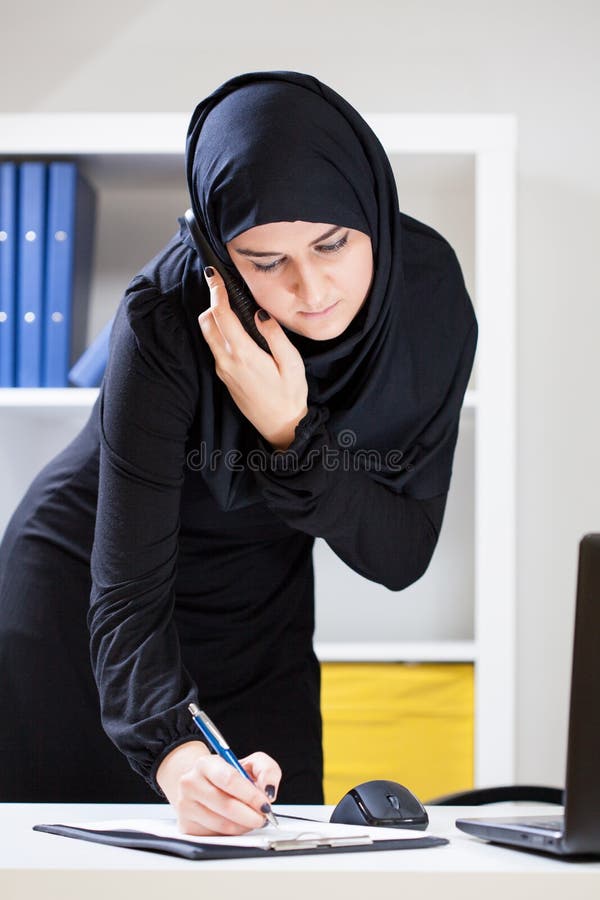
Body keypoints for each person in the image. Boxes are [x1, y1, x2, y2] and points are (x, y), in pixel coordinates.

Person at [0, 71, 477, 836]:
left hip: (258, 603)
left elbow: (401, 554)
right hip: (84, 587)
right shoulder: (165, 316)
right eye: (265, 260)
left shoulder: (429, 296)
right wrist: (171, 753)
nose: (311, 288)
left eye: (333, 243)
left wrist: (292, 435)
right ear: (219, 255)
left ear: (372, 213)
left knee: (277, 850)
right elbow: (123, 591)